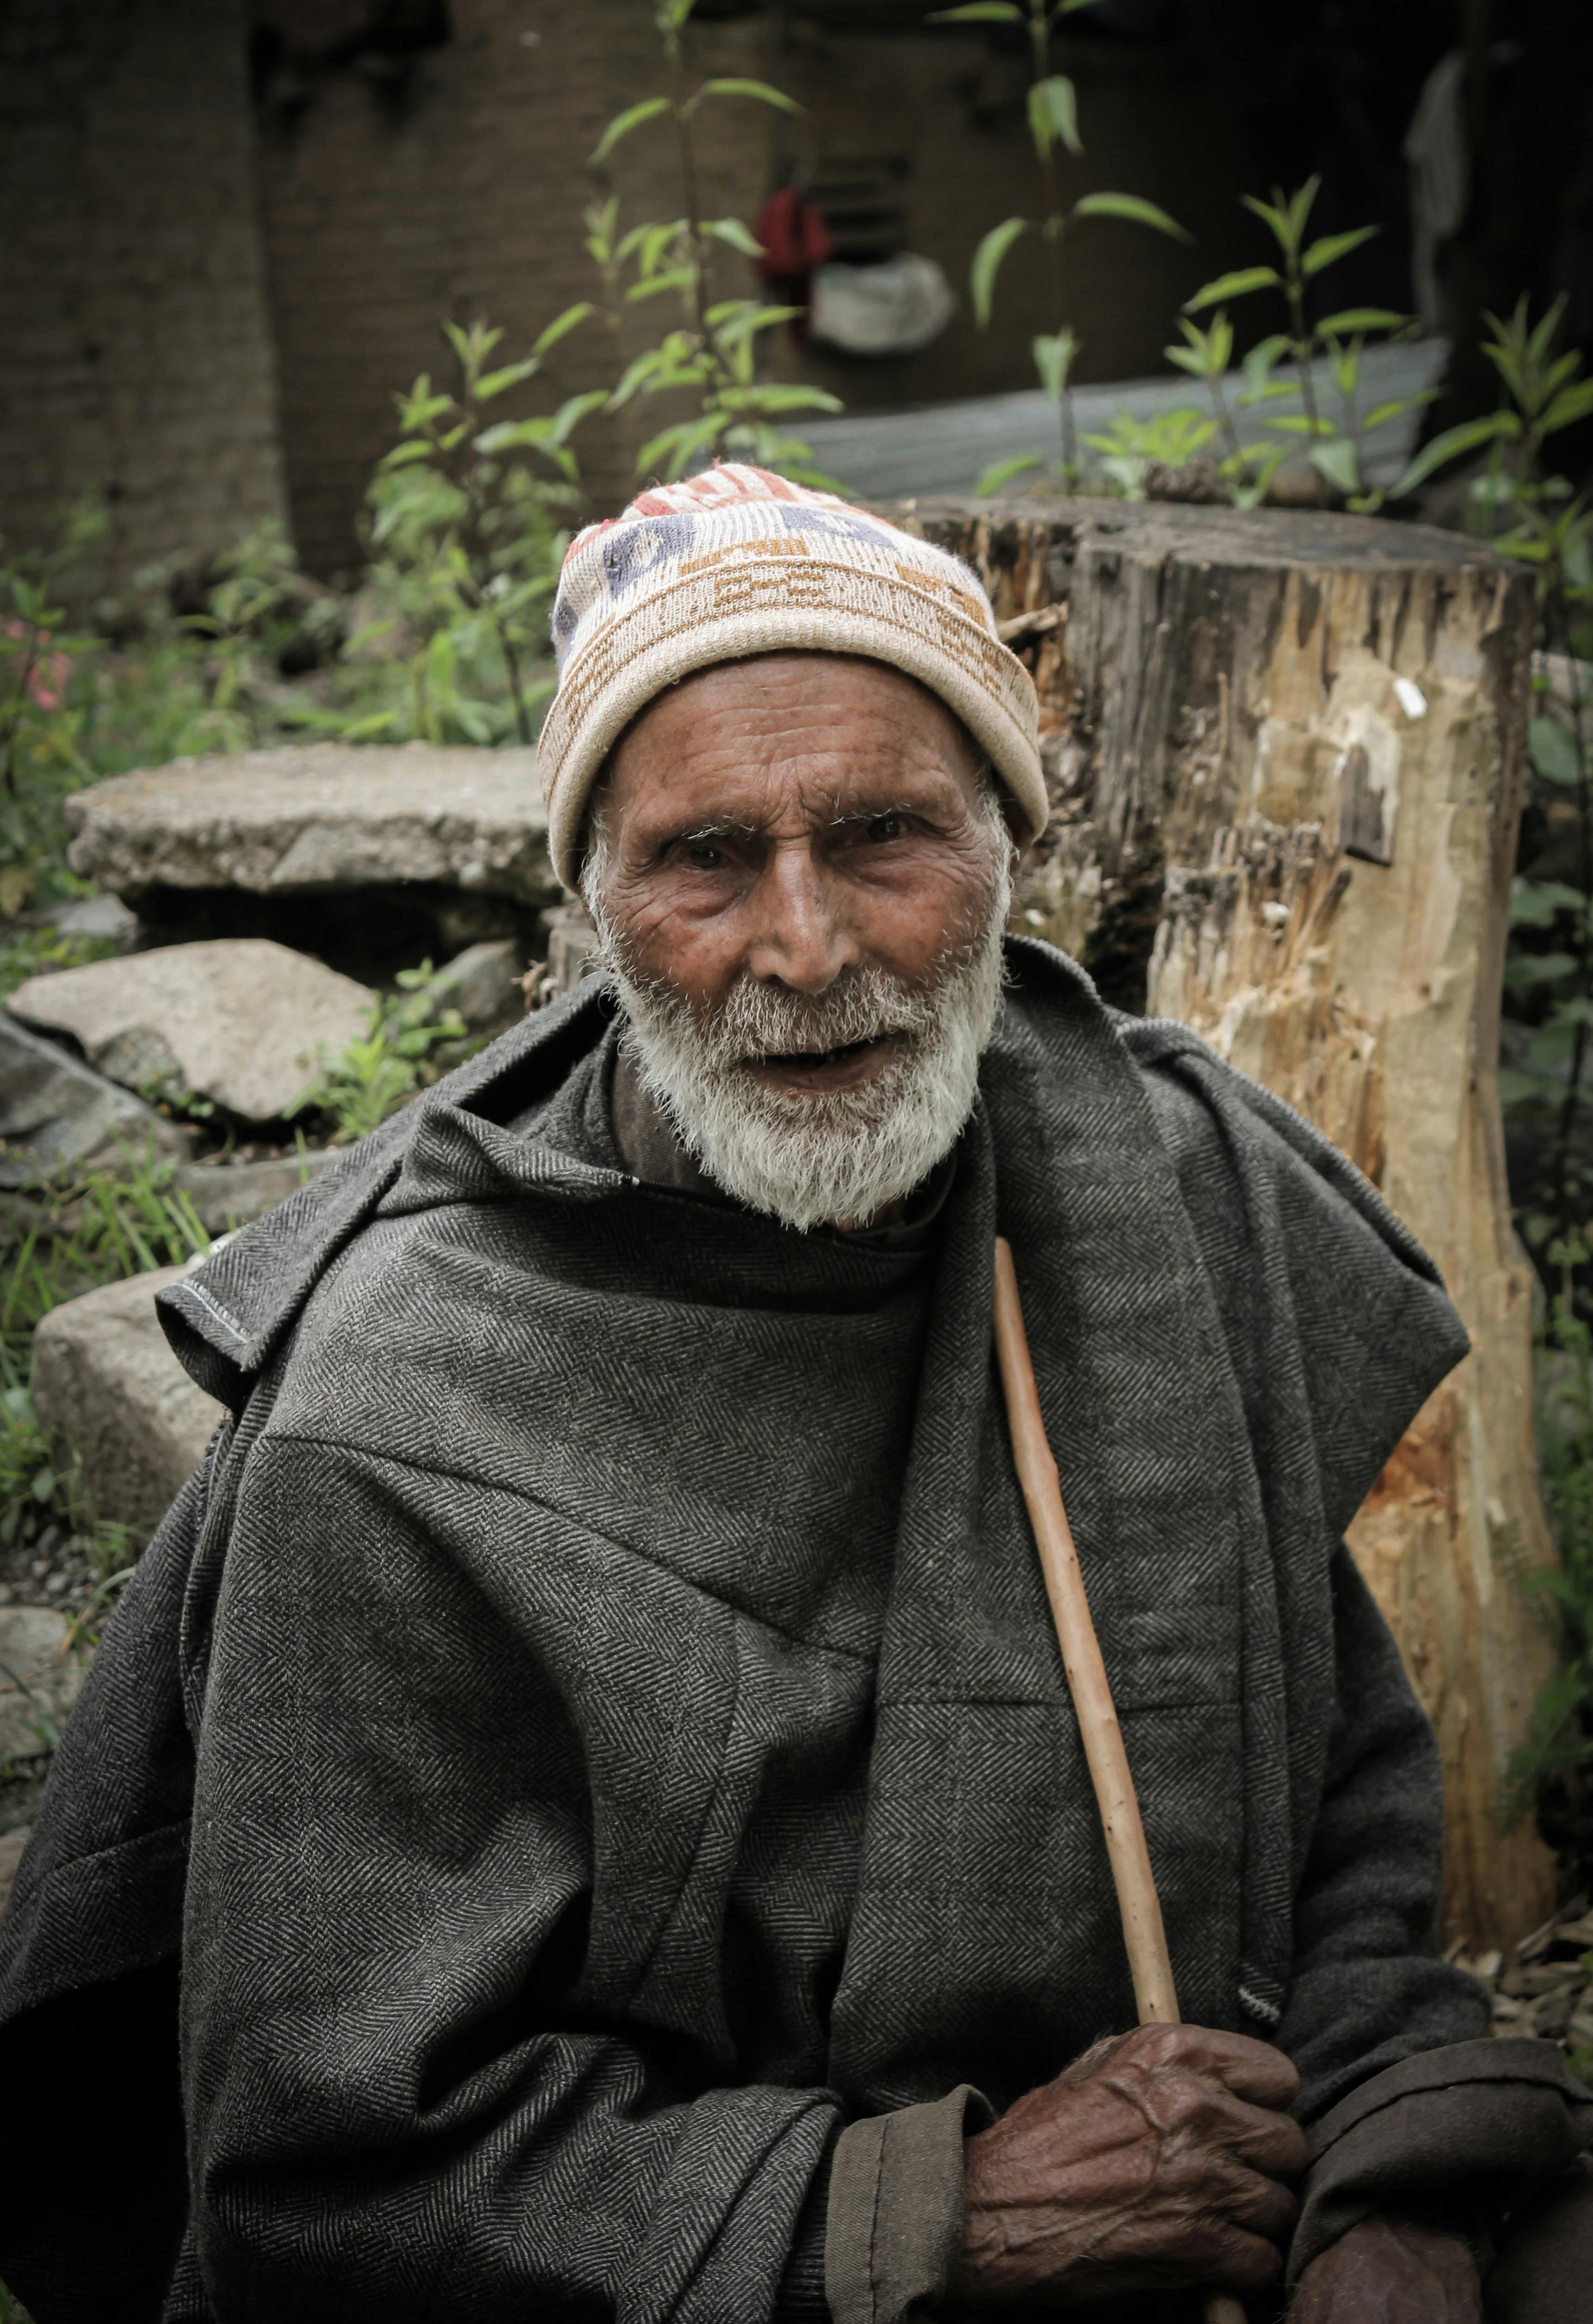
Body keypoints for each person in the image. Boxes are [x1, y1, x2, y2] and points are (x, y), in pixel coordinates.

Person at [2, 464, 1590, 2324]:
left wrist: (1388, 2164)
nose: (808, 945)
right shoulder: (402, 1409)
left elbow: (1343, 1822)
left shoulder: (1153, 1195)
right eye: (705, 857)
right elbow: (333, 2171)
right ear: (592, 908)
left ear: (1010, 849)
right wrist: (927, 2214)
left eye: (883, 833)